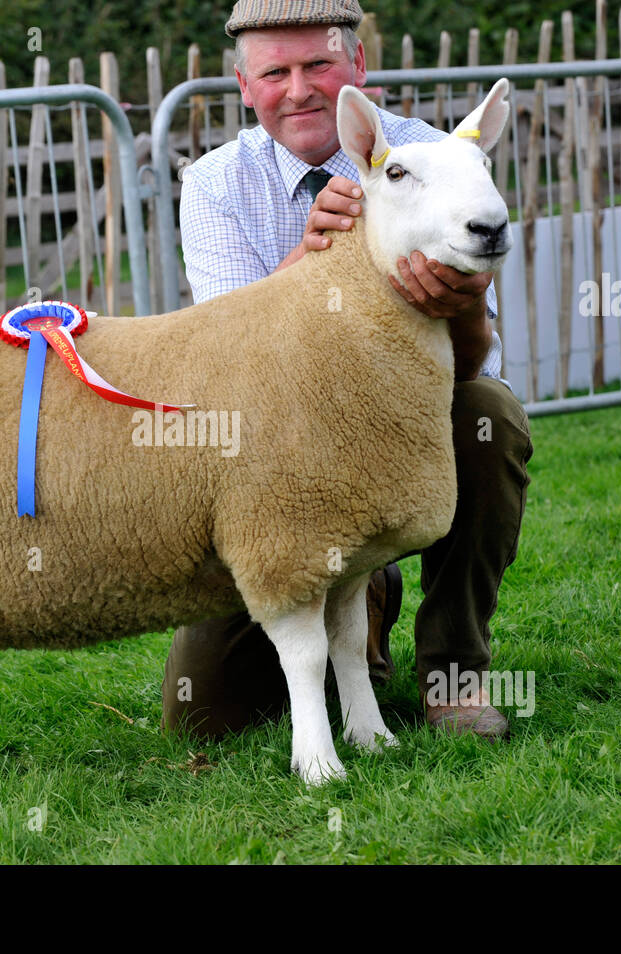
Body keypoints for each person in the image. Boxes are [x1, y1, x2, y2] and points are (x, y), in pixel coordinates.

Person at [161, 0, 533, 741]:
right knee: (203, 716)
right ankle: (359, 595)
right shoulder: (215, 185)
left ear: (358, 68)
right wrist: (309, 257)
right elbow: (232, 359)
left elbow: (470, 358)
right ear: (245, 85)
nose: (299, 88)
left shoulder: (437, 158)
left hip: (398, 425)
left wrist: (462, 304)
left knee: (487, 412)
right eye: (276, 72)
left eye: (319, 65)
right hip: (276, 461)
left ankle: (453, 674)